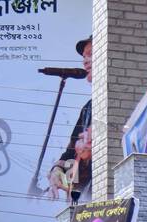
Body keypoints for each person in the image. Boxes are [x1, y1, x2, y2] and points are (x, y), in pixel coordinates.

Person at [46, 36, 93, 202]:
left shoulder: (126, 99)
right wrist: (57, 169)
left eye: (91, 54)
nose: (85, 62)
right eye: (84, 57)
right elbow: (71, 152)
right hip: (84, 199)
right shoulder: (89, 107)